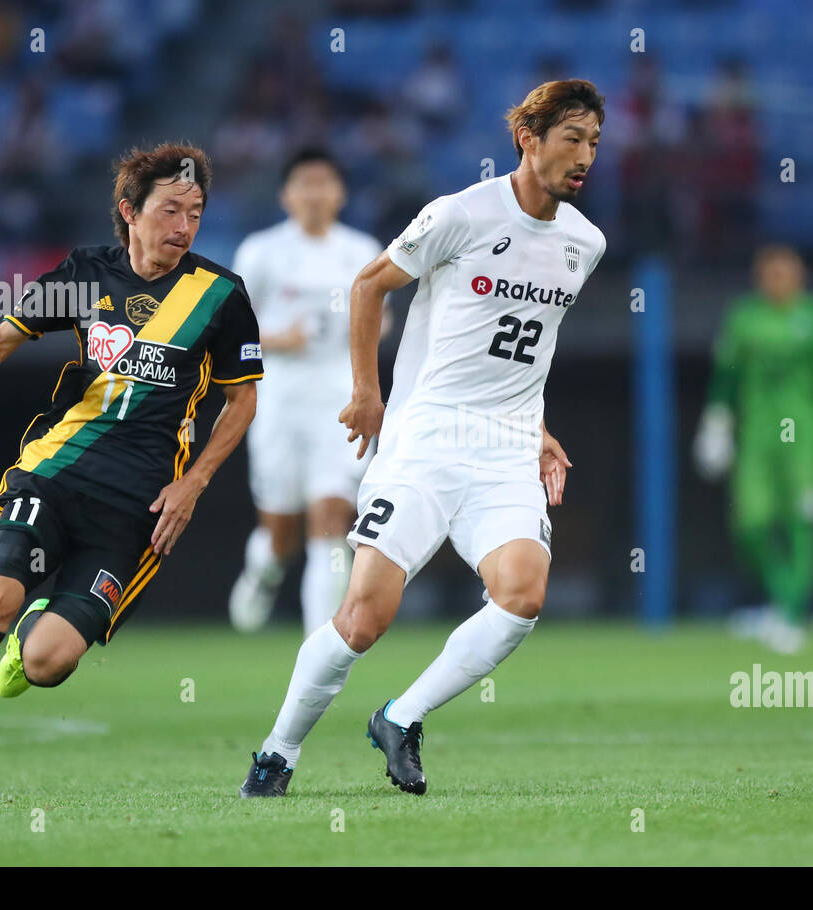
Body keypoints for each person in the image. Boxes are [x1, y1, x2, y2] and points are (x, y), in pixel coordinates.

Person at [239, 79, 606, 797]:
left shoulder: (584, 242)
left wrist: (537, 428)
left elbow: (523, 352)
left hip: (504, 449)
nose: (585, 154)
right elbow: (370, 285)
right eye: (572, 138)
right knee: (365, 616)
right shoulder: (459, 214)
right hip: (426, 441)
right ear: (527, 138)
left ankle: (400, 717)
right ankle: (278, 752)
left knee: (522, 595)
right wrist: (369, 393)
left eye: (594, 141)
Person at [0, 143, 263, 804]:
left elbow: (242, 399)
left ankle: (39, 626)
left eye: (195, 213)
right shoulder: (86, 273)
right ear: (129, 212)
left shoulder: (221, 295)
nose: (184, 227)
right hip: (54, 474)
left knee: (47, 662)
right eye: (170, 210)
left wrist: (194, 482)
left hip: (136, 509)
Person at [228, 148, 390, 636]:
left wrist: (359, 334)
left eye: (325, 183)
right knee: (280, 531)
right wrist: (281, 339)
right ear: (286, 194)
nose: (315, 193)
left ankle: (320, 644)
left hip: (341, 399)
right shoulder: (260, 252)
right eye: (305, 183)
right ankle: (265, 570)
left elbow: (382, 320)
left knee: (331, 516)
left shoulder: (361, 249)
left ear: (340, 193)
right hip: (277, 400)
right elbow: (229, 329)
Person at [694, 245, 813, 653]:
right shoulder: (745, 319)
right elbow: (726, 373)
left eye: (784, 272)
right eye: (769, 273)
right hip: (756, 436)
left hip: (803, 439)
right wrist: (716, 423)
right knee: (751, 525)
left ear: (799, 276)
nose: (777, 280)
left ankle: (790, 616)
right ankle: (781, 600)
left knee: (800, 522)